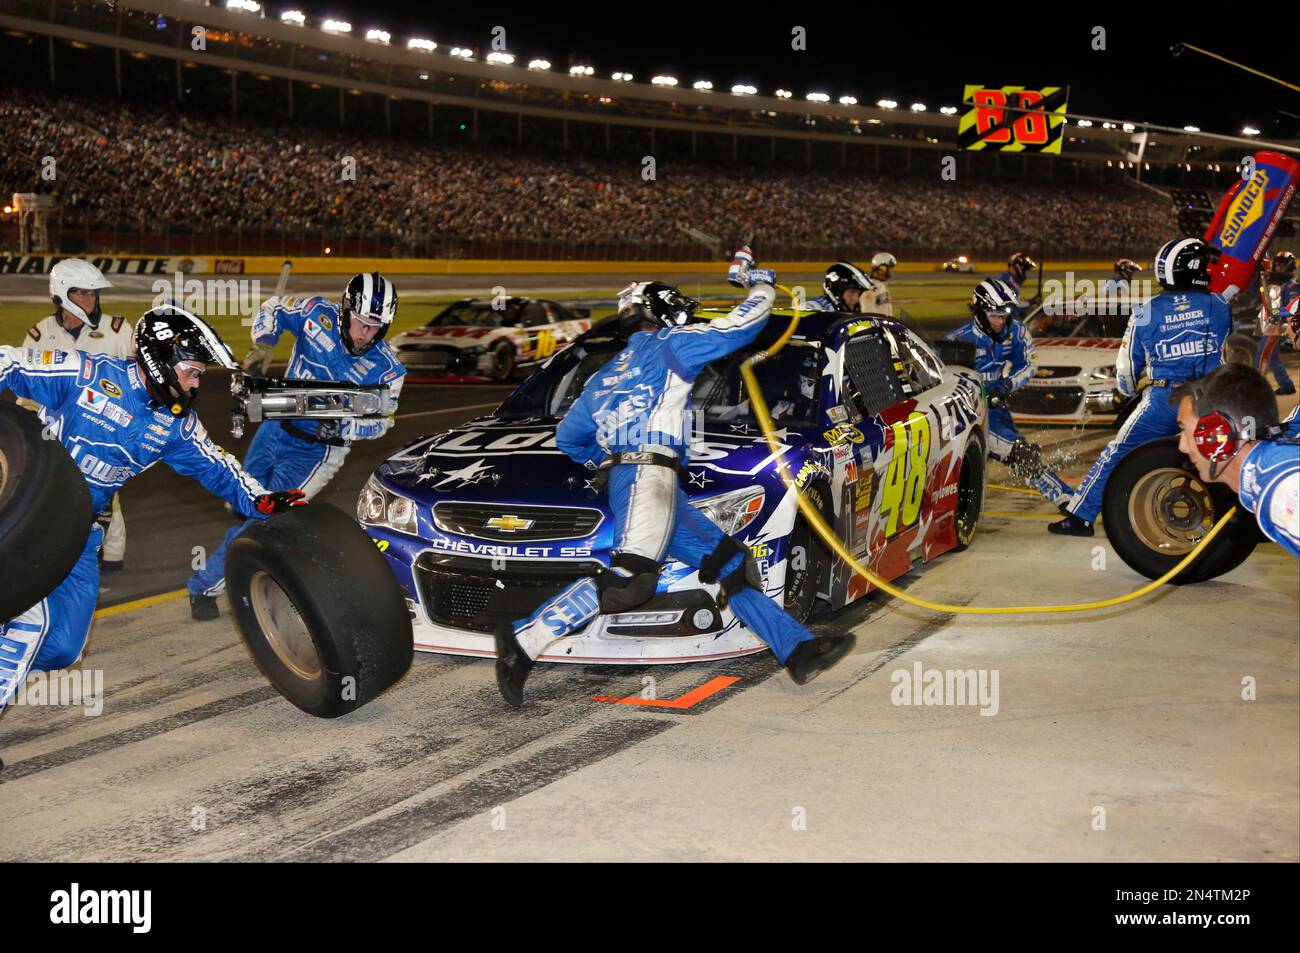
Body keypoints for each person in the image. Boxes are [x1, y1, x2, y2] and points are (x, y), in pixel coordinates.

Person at [492, 249, 856, 707]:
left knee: (729, 564)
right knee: (630, 582)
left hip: (640, 480)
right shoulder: (670, 344)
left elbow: (569, 439)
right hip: (651, 477)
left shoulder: (602, 377)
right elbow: (740, 327)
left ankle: (798, 650)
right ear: (663, 313)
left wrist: (610, 460)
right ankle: (523, 639)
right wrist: (761, 286)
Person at [0, 306, 307, 739]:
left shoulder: (177, 426)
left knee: (65, 647)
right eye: (192, 372)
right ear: (161, 358)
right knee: (31, 626)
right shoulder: (85, 373)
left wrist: (262, 501)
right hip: (30, 515)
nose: (196, 383)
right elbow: (10, 362)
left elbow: (219, 467)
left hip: (80, 534)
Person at [188, 272, 405, 618]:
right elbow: (273, 308)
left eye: (374, 327)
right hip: (274, 427)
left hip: (317, 452)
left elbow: (383, 421)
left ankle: (204, 586)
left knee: (261, 517)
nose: (364, 334)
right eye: (360, 322)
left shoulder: (388, 369)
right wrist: (263, 343)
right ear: (345, 310)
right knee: (243, 502)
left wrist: (345, 424)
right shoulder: (314, 311)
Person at [1050, 238, 1233, 536]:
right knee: (1228, 450)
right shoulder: (1220, 304)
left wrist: (1127, 392)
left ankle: (1081, 517)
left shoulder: (1147, 310)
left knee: (1118, 452)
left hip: (1165, 399)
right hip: (1213, 396)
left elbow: (1126, 368)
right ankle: (1243, 519)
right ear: (1196, 269)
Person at [18, 259, 134, 571]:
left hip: (103, 429)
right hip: (55, 432)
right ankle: (62, 552)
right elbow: (25, 395)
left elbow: (138, 382)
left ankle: (111, 555)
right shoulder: (40, 334)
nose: (90, 299)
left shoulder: (118, 331)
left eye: (93, 293)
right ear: (62, 294)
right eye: (82, 293)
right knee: (55, 494)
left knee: (105, 495)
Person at [945, 279, 1072, 507]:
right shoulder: (957, 340)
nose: (1000, 321)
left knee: (1013, 457)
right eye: (994, 316)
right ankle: (1069, 503)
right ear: (978, 313)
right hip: (971, 414)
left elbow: (1030, 364)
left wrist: (1007, 385)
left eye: (1003, 316)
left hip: (998, 410)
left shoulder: (1015, 330)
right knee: (1023, 455)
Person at [1173, 363, 1299, 556]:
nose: (1182, 446)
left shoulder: (1278, 486)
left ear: (1218, 434)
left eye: (1185, 431)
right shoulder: (1273, 459)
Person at [1256, 252, 1296, 396]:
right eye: (1277, 264)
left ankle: (1257, 388)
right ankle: (1287, 386)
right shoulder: (1276, 283)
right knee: (1272, 358)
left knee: (1262, 356)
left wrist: (1275, 313)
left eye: (1282, 265)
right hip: (1271, 327)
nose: (1278, 267)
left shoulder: (1292, 286)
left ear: (1289, 266)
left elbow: (1292, 309)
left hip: (1278, 328)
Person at [807, 261, 875, 313]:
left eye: (860, 293)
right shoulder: (814, 308)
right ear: (836, 291)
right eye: (852, 292)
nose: (856, 298)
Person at [867, 252, 898, 316]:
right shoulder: (873, 287)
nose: (891, 271)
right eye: (890, 268)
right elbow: (868, 312)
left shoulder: (880, 285)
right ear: (882, 269)